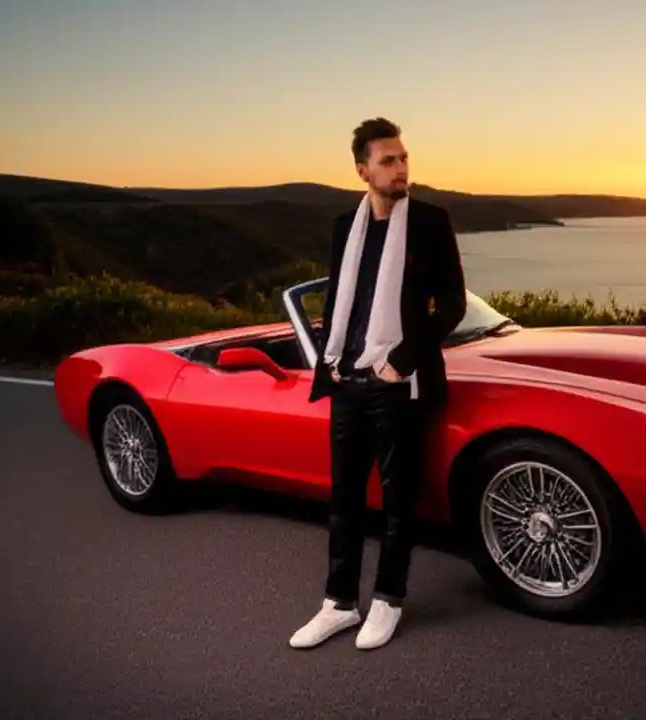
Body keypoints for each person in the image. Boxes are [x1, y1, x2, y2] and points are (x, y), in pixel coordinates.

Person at [289, 117, 467, 650]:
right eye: (388, 161)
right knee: (343, 499)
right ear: (363, 169)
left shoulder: (432, 222)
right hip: (349, 380)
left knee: (397, 501)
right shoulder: (347, 225)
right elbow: (342, 300)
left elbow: (453, 305)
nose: (401, 168)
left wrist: (403, 360)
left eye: (404, 158)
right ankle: (338, 604)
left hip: (399, 384)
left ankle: (388, 599)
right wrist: (333, 361)